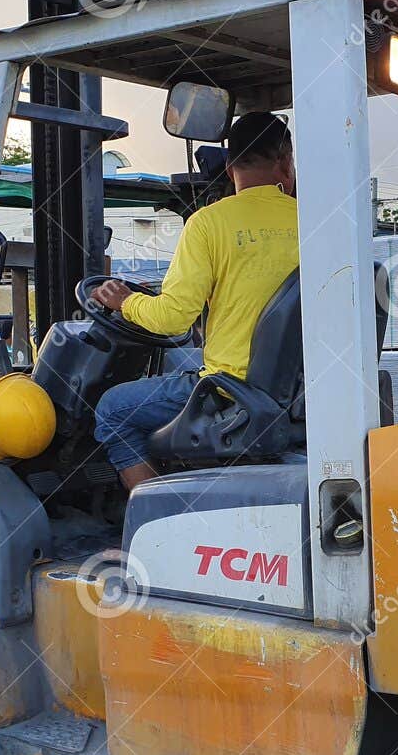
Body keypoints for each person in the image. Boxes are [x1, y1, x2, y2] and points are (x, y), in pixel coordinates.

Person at [92, 112, 299, 489]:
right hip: (303, 390)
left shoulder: (208, 223)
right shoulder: (318, 220)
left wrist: (125, 303)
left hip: (231, 393)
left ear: (230, 166)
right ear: (286, 161)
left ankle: (155, 518)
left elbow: (173, 319)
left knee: (111, 409)